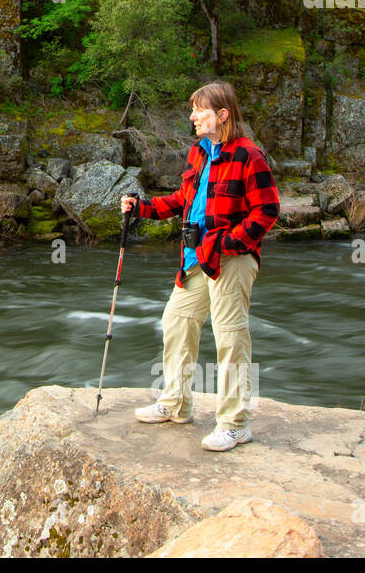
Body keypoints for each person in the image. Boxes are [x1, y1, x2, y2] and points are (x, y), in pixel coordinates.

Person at [120, 80, 280, 451]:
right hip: (195, 258)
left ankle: (235, 424)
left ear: (222, 115)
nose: (192, 116)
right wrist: (142, 207)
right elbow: (182, 199)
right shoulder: (199, 151)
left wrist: (228, 242)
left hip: (231, 260)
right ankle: (176, 404)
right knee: (176, 322)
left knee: (230, 338)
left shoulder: (248, 156)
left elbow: (267, 211)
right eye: (193, 110)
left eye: (200, 110)